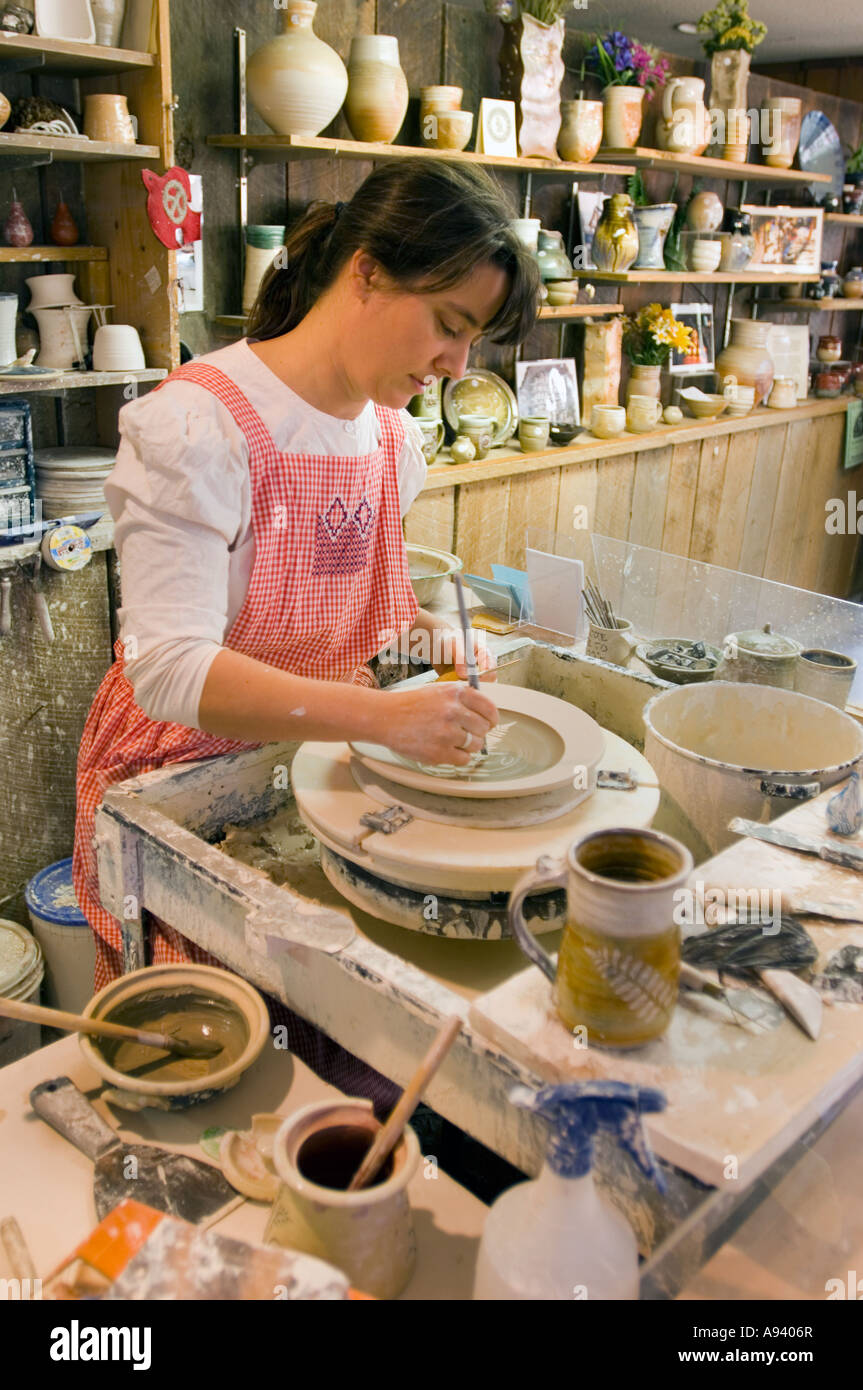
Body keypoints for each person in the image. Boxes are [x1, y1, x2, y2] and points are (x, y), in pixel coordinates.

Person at [72, 157, 540, 1102]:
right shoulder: (199, 426)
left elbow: (343, 616)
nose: (456, 366)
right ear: (364, 271)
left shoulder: (389, 438)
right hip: (175, 781)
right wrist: (380, 721)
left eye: (473, 340)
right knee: (221, 1067)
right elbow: (166, 669)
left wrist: (425, 643)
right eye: (449, 325)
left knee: (346, 1048)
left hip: (303, 762)